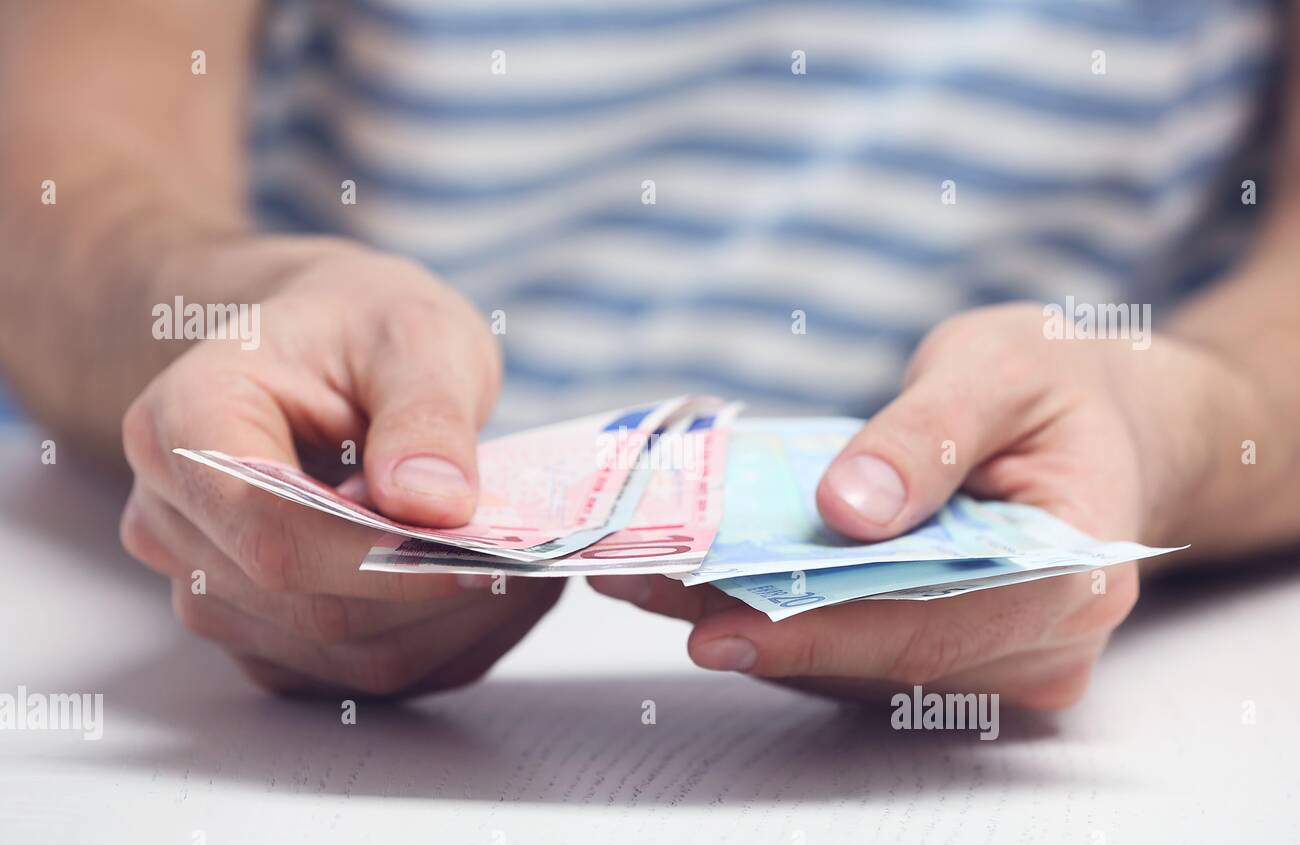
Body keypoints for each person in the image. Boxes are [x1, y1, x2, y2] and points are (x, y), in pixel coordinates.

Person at [2, 0, 1297, 706]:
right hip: (254, 661)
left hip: (1163, 683)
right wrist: (225, 312)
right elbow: (51, 175)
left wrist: (1171, 424)